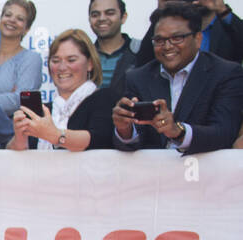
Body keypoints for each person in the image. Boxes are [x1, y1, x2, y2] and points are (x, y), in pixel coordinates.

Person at [114, 0, 243, 152]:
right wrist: (124, 130)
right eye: (159, 40)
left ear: (198, 39)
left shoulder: (225, 74)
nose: (168, 46)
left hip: (206, 172)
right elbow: (132, 143)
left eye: (177, 38)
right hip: (153, 172)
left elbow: (224, 133)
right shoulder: (137, 78)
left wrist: (178, 131)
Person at [10, 29, 116, 150]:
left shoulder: (104, 98)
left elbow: (99, 139)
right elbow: (13, 156)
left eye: (71, 60)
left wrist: (55, 135)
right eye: (56, 61)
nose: (62, 67)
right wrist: (20, 136)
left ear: (90, 64)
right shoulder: (44, 111)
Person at [0, 1, 44, 117]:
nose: (12, 20)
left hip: (11, 133)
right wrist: (7, 97)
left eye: (20, 18)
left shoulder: (30, 59)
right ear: (0, 20)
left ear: (27, 29)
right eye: (8, 15)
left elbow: (22, 99)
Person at [134, 0, 243, 67]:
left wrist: (222, 10)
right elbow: (143, 61)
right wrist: (162, 11)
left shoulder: (228, 27)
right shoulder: (170, 28)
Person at [90, 0, 142, 88]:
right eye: (95, 15)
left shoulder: (140, 50)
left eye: (109, 13)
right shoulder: (84, 55)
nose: (102, 18)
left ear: (123, 17)